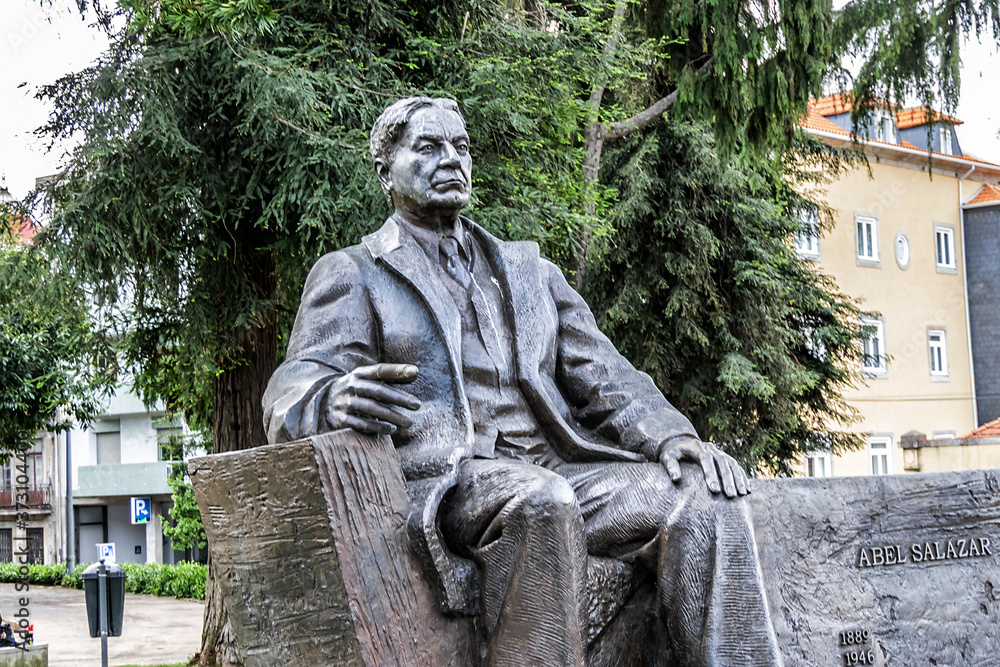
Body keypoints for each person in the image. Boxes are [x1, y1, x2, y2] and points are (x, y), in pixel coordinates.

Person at [263, 96, 782, 666]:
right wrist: (329, 397)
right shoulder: (354, 272)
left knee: (701, 496)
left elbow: (605, 373)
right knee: (540, 500)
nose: (451, 160)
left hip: (557, 469)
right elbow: (295, 385)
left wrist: (671, 436)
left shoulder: (528, 270)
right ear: (385, 171)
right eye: (428, 147)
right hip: (454, 479)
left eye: (460, 147)